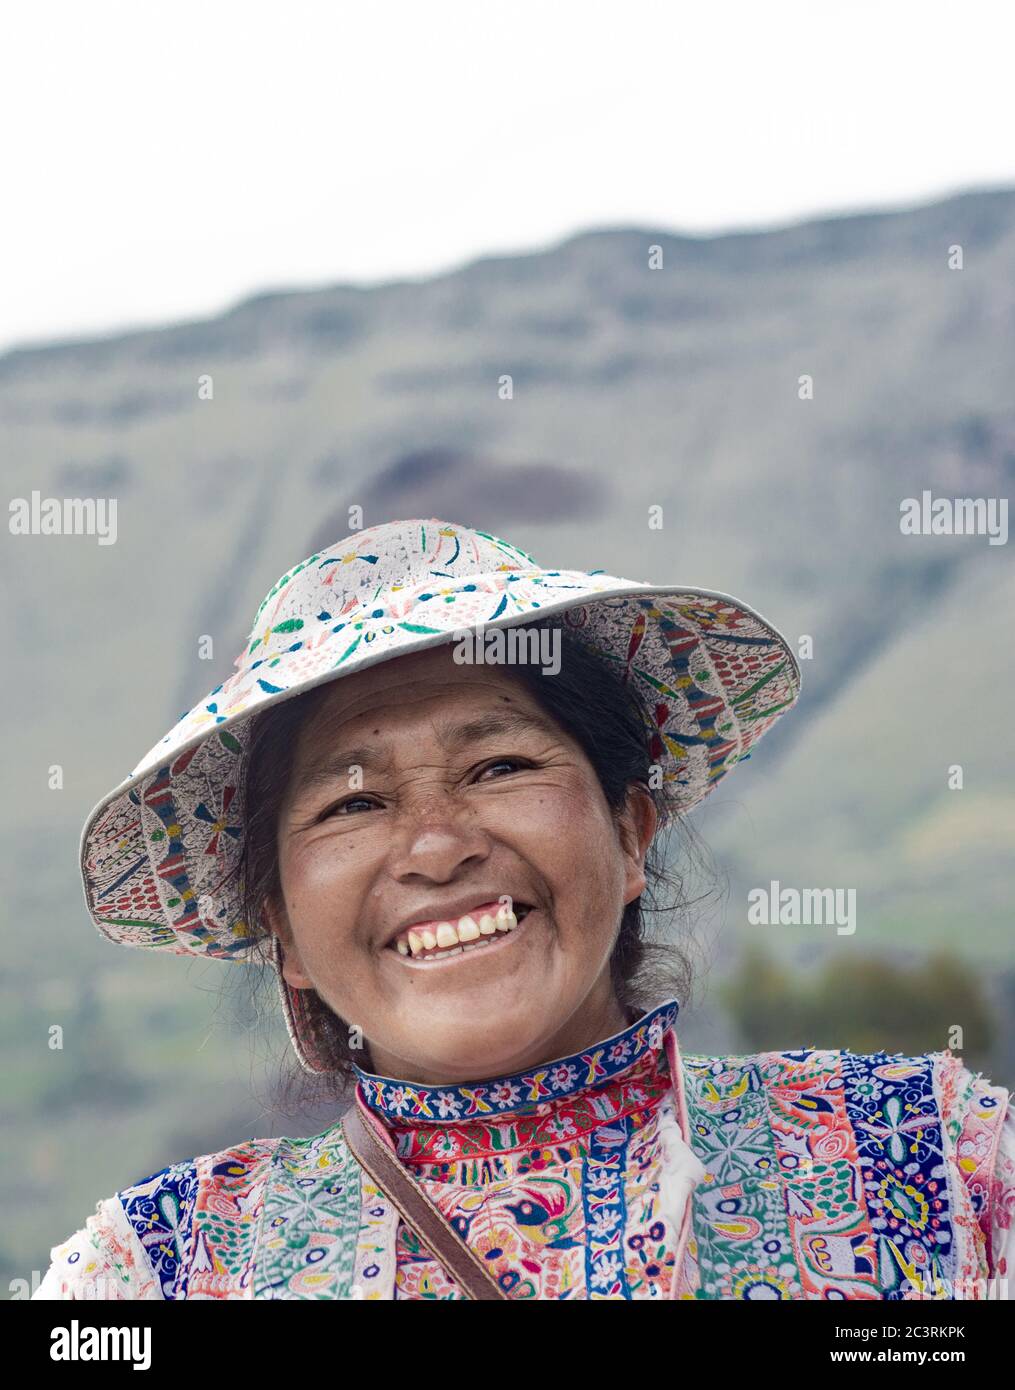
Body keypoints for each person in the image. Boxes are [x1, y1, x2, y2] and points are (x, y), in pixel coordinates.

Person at [34, 518, 1014, 1300]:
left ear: (631, 831)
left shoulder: (933, 1158)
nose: (437, 845)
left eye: (498, 764)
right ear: (282, 927)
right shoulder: (156, 1271)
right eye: (353, 802)